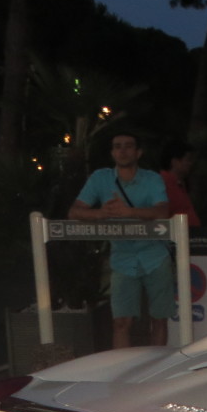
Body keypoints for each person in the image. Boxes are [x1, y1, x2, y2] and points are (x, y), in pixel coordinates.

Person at [68, 131, 172, 349]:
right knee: (120, 322)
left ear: (138, 152)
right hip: (122, 258)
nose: (122, 151)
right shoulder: (101, 178)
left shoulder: (152, 179)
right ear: (112, 152)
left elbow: (163, 211)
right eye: (117, 146)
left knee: (159, 319)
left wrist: (129, 212)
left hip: (155, 255)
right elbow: (75, 212)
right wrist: (101, 214)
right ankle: (122, 374)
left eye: (128, 146)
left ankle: (159, 375)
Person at [159, 140, 201, 228]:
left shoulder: (180, 183)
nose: (190, 164)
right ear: (175, 162)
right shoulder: (161, 184)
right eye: (188, 160)